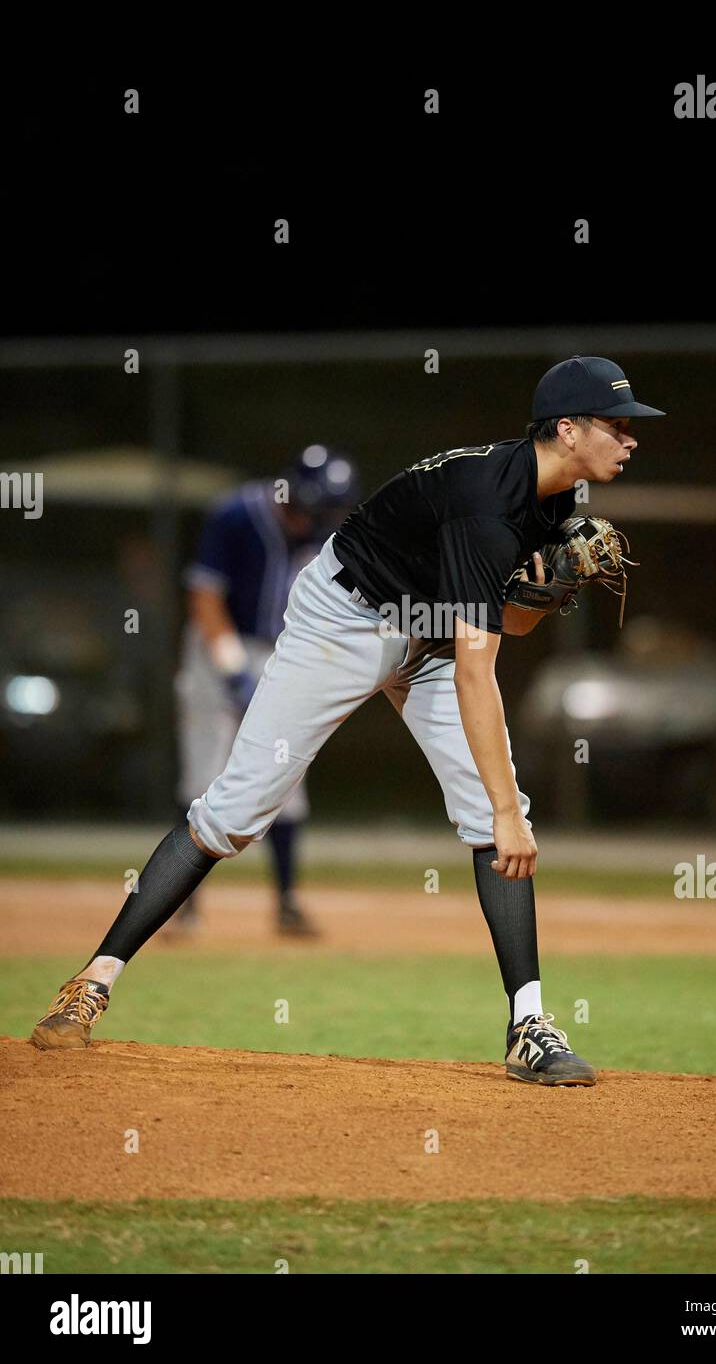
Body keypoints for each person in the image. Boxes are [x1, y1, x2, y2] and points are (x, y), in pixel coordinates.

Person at [31, 356, 664, 1086]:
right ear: (567, 428)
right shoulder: (486, 506)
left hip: (426, 635)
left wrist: (546, 593)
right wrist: (504, 810)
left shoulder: (553, 497)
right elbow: (476, 672)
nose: (630, 438)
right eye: (616, 425)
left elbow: (511, 625)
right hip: (345, 620)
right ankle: (92, 982)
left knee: (498, 819)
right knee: (234, 812)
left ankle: (529, 1027)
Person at [173, 446, 360, 936]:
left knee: (286, 778)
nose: (318, 519)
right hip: (217, 646)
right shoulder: (235, 515)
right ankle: (184, 904)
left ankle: (287, 903)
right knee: (203, 776)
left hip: (282, 650)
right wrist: (233, 670)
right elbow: (205, 598)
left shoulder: (327, 532)